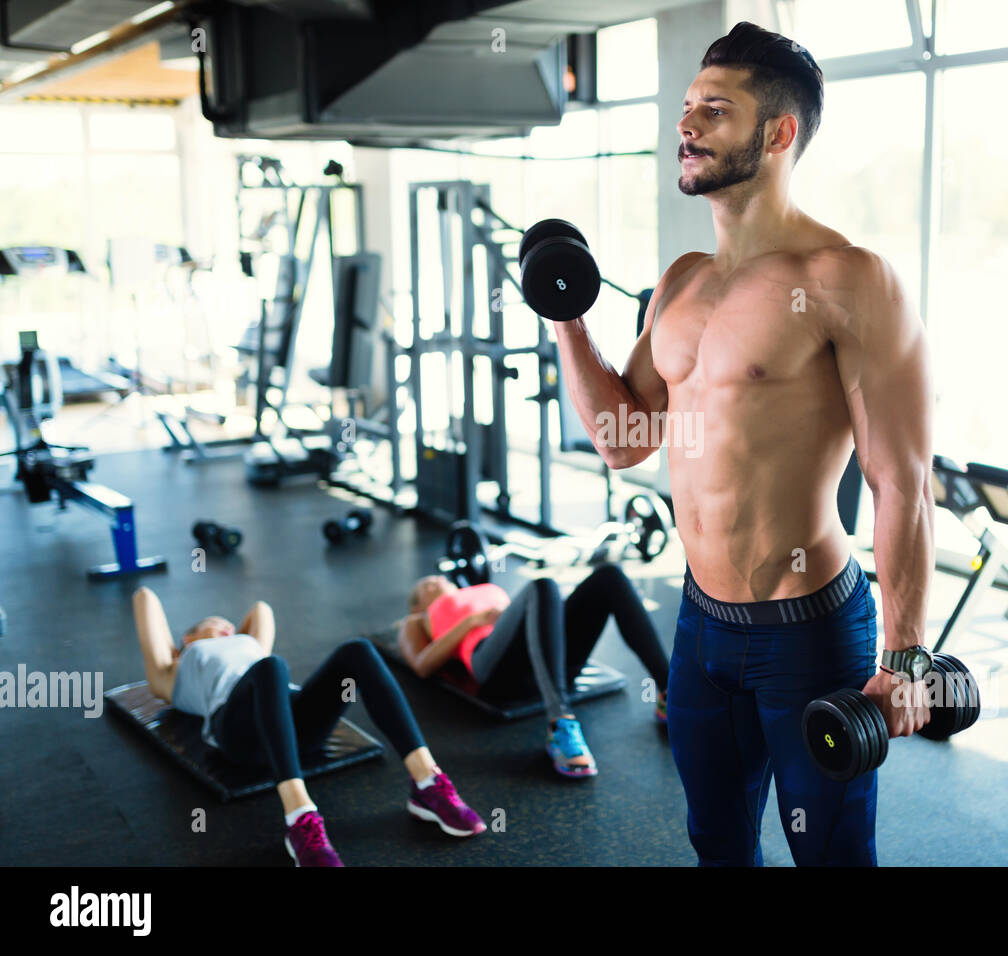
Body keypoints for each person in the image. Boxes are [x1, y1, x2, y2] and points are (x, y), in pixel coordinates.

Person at [551, 21, 936, 866]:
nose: (685, 126)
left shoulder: (847, 279)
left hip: (812, 634)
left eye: (713, 111)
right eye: (687, 108)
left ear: (778, 133)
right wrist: (566, 320)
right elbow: (624, 440)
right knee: (716, 842)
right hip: (702, 625)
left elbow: (902, 478)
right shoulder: (682, 281)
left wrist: (905, 652)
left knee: (831, 852)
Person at [132, 586, 486, 867]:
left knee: (357, 651)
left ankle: (428, 782)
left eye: (230, 624)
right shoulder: (174, 670)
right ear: (188, 641)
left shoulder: (250, 645)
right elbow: (144, 598)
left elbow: (260, 611)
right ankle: (300, 819)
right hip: (239, 733)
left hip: (294, 726)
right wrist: (193, 642)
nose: (227, 626)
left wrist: (232, 634)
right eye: (213, 623)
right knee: (272, 667)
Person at [398, 563, 671, 778]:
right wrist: (474, 620)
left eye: (436, 579)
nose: (433, 581)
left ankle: (669, 692)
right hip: (495, 665)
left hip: (548, 656)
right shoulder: (417, 619)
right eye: (425, 587)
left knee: (608, 576)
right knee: (542, 585)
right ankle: (560, 723)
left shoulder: (482, 589)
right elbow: (422, 665)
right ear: (417, 605)